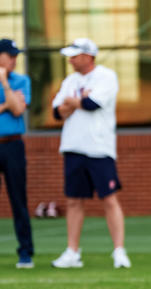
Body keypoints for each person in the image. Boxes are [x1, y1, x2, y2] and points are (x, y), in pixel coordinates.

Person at [50, 38, 131, 269]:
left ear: (88, 56)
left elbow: (93, 104)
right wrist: (76, 102)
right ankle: (72, 252)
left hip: (99, 149)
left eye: (75, 55)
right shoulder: (70, 81)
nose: (71, 60)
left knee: (109, 198)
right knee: (74, 200)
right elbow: (58, 111)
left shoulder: (106, 76)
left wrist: (74, 103)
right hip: (73, 147)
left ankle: (119, 251)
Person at [0, 38, 34, 269]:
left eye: (15, 56)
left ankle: (25, 252)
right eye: (9, 55)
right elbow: (12, 106)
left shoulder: (21, 80)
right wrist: (7, 105)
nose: (14, 60)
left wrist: (3, 82)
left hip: (13, 145)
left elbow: (19, 108)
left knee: (18, 199)